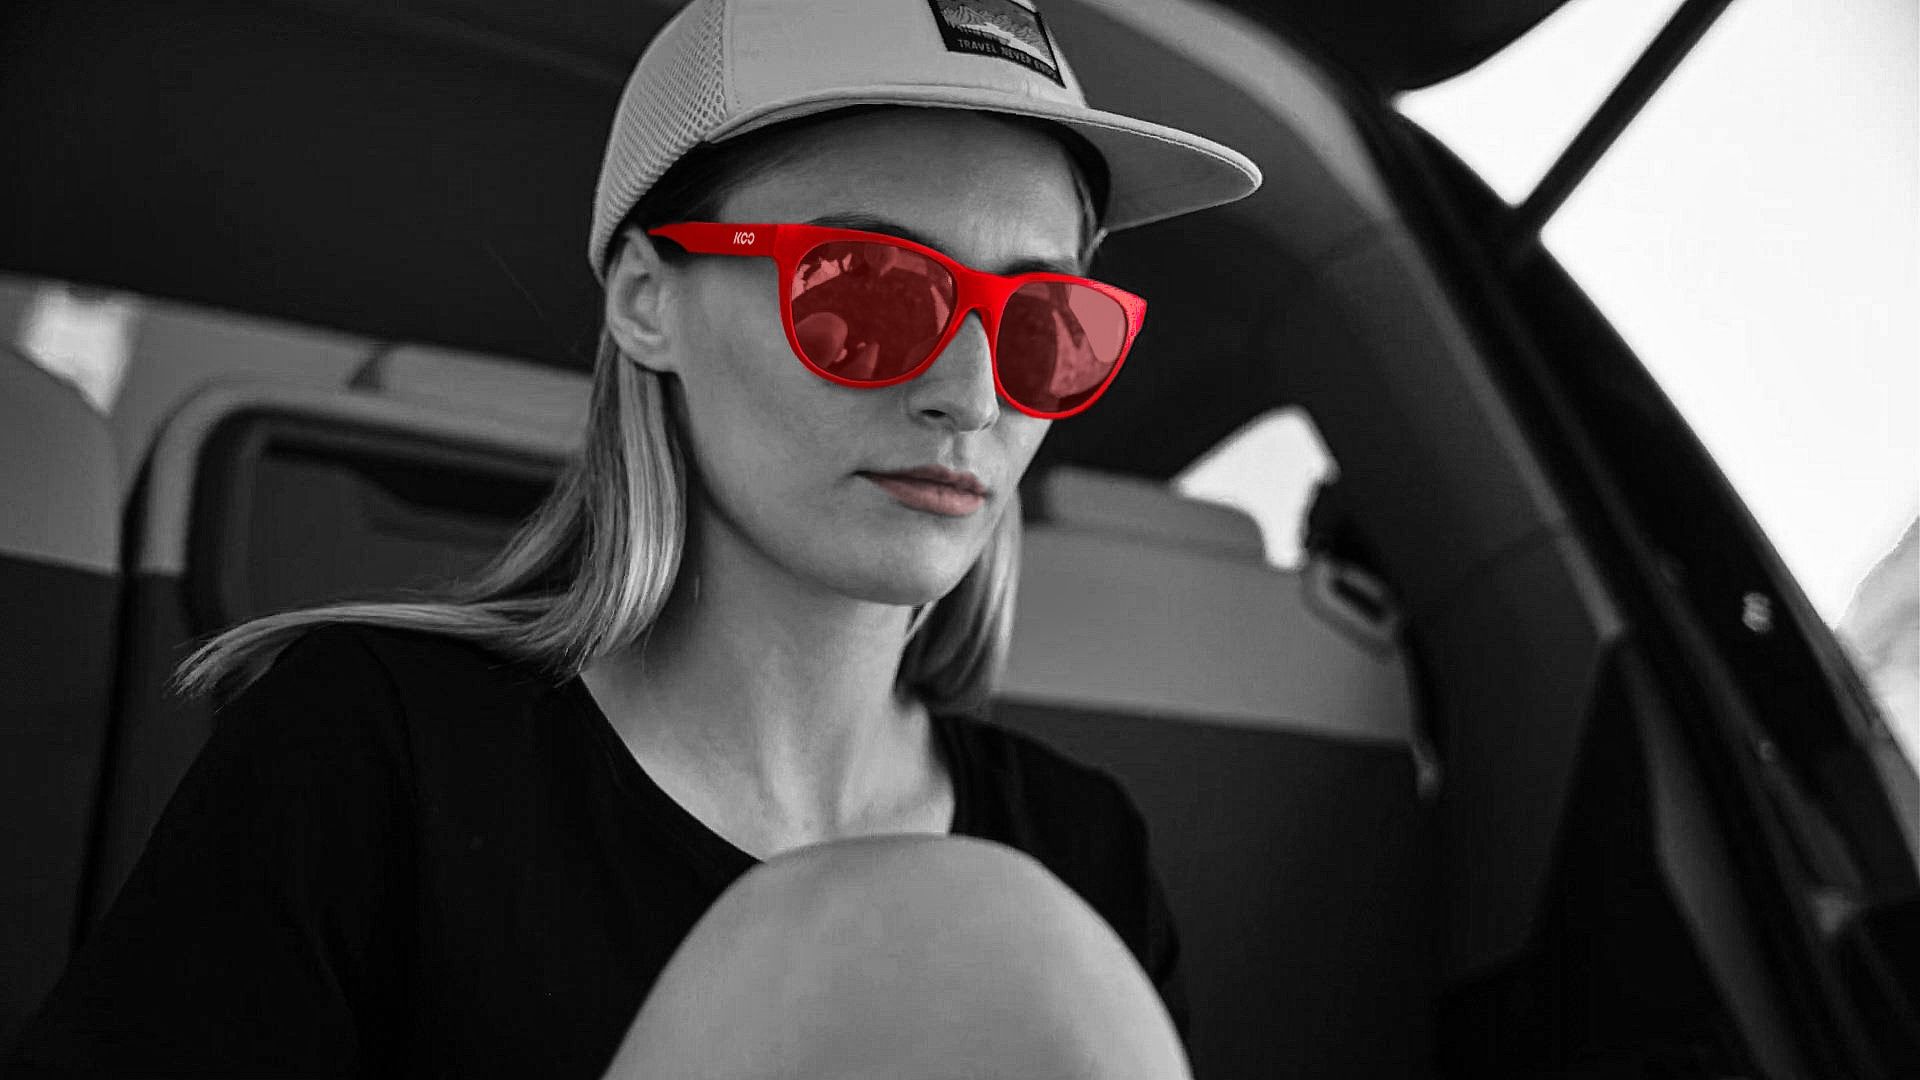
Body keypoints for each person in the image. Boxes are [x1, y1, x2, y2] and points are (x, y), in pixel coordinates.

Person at [3, 0, 1259, 1075]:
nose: (972, 396)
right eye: (869, 289)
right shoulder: (372, 755)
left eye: (1044, 319)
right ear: (648, 301)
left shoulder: (1084, 844)